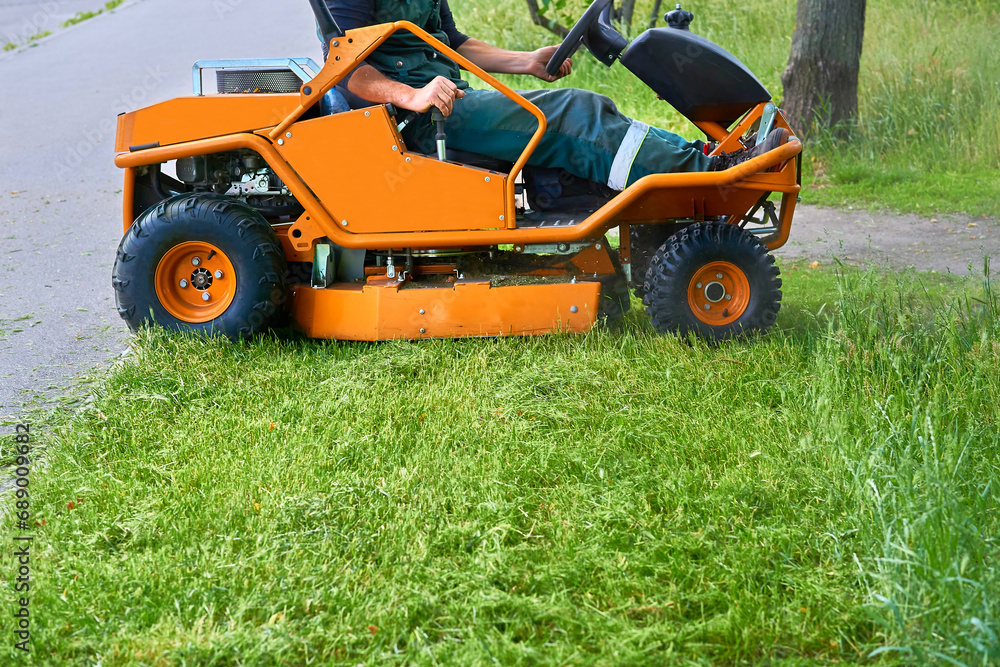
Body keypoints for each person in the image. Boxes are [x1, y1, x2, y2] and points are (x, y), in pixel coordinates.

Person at [320, 0, 786, 190]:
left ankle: (703, 157)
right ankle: (711, 177)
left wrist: (526, 60)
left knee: (594, 108)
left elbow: (454, 42)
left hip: (450, 99)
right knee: (574, 111)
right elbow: (344, 67)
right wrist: (412, 96)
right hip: (415, 119)